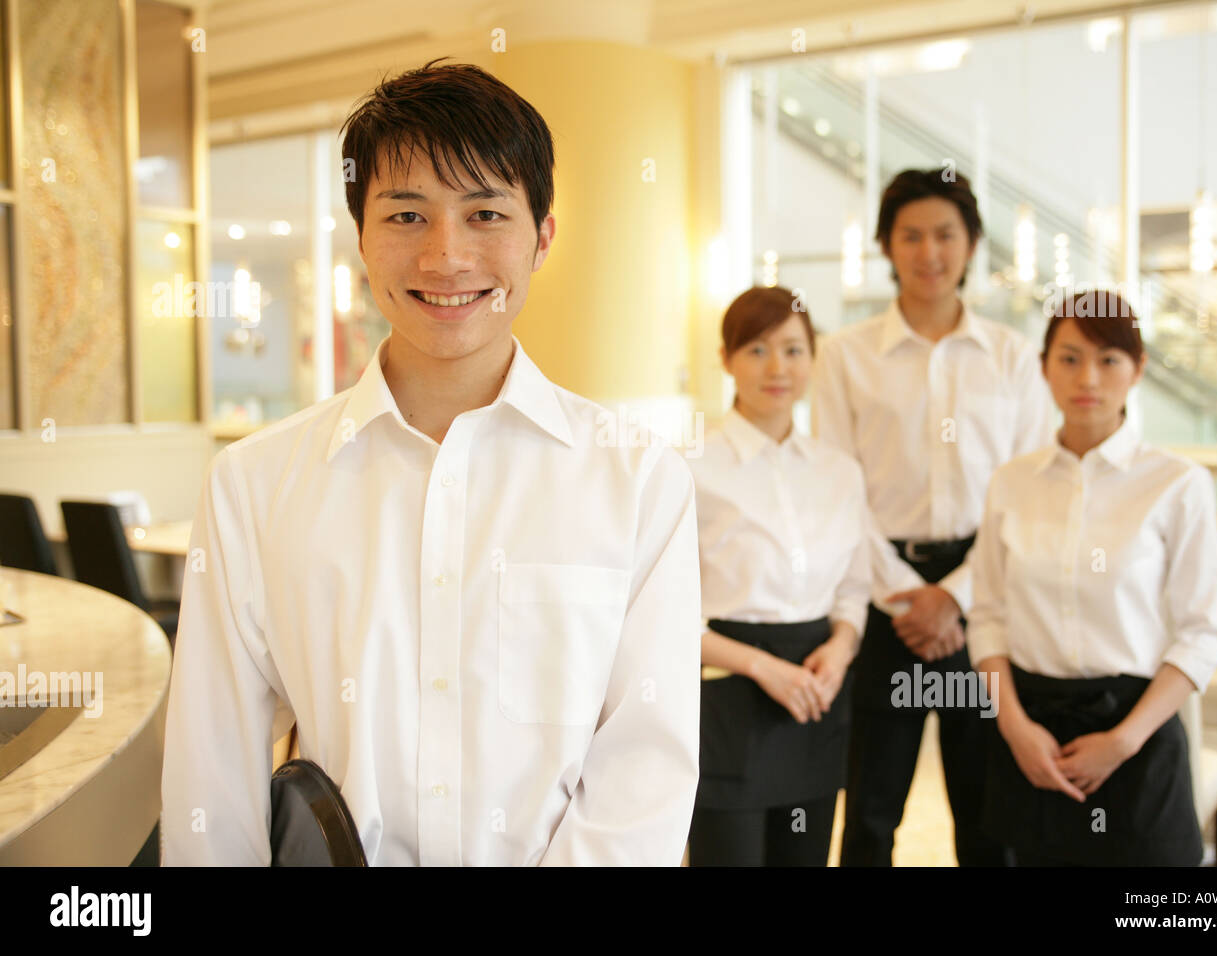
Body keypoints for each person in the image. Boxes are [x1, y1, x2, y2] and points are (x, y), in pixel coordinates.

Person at [160, 59, 702, 866]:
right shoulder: (255, 485)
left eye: (485, 213)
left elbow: (644, 772)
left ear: (542, 236)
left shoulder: (638, 482)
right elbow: (214, 774)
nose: (446, 258)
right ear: (361, 238)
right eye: (406, 216)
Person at [811, 168, 1056, 866]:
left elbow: (1026, 495)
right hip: (886, 603)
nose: (929, 252)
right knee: (869, 814)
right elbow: (838, 490)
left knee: (987, 820)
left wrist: (955, 597)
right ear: (887, 246)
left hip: (985, 605)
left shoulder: (1013, 357)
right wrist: (906, 597)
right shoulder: (845, 355)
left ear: (972, 243)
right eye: (911, 236)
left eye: (945, 234)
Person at [967, 291, 1217, 866]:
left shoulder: (1177, 484)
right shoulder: (1010, 482)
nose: (1088, 377)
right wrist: (1013, 727)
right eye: (1069, 357)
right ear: (1043, 368)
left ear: (1138, 370)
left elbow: (1201, 632)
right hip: (1034, 737)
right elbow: (987, 618)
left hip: (1137, 733)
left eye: (1109, 359)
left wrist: (1124, 741)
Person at [688, 286, 919, 866]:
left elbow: (854, 587)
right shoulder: (688, 468)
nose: (777, 368)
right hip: (725, 691)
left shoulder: (839, 472)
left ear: (814, 359)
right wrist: (763, 668)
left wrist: (841, 650)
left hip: (816, 692)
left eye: (793, 350)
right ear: (726, 359)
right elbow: (661, 615)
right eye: (757, 350)